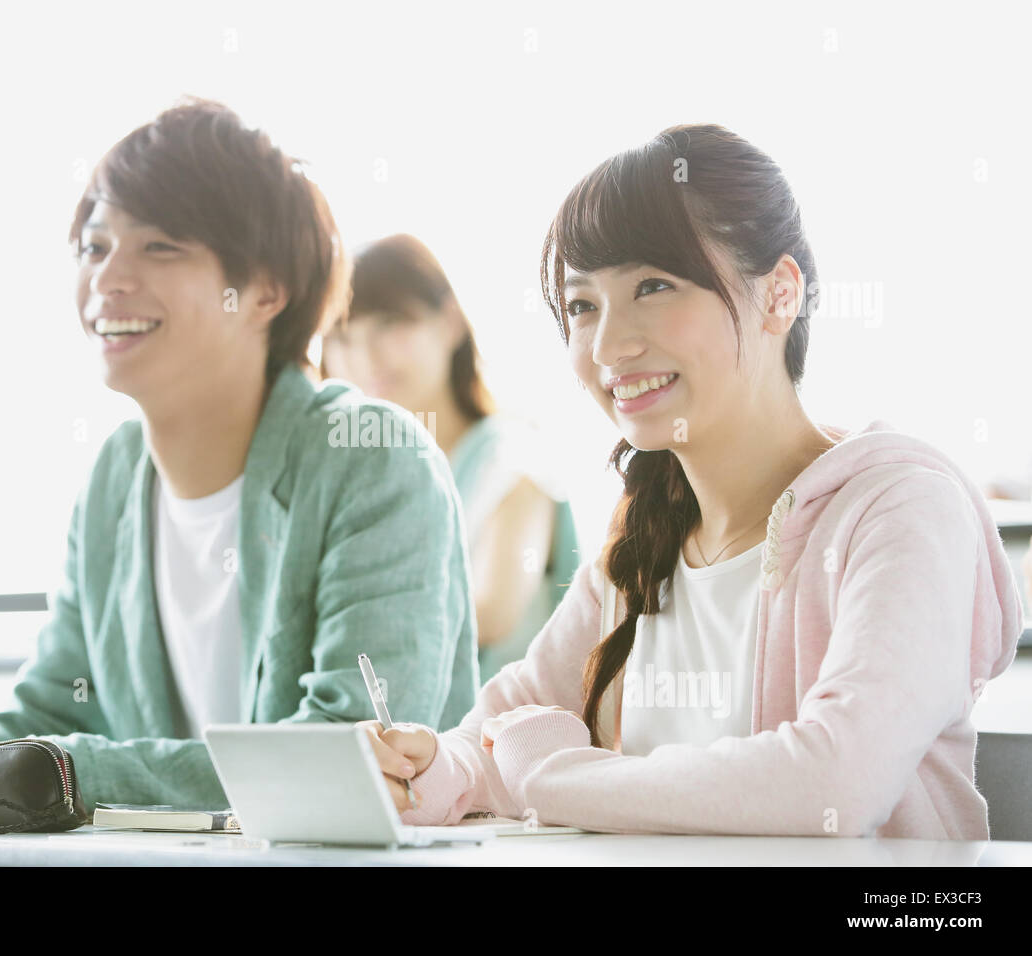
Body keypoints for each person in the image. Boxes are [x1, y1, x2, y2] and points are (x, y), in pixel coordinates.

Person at [0, 97, 478, 821]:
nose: (108, 279)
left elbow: (354, 758)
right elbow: (56, 711)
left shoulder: (372, 461)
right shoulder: (115, 479)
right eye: (93, 247)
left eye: (159, 247)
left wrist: (62, 771)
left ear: (265, 291)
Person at [360, 123, 1025, 839]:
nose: (610, 345)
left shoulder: (902, 509)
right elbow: (497, 737)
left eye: (653, 286)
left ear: (779, 295)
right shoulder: (644, 536)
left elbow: (836, 782)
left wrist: (555, 778)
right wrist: (433, 769)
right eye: (583, 305)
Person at [320, 234, 579, 682]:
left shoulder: (512, 455)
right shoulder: (367, 481)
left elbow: (494, 610)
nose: (366, 356)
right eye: (342, 337)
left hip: (509, 741)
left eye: (389, 325)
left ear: (451, 323)